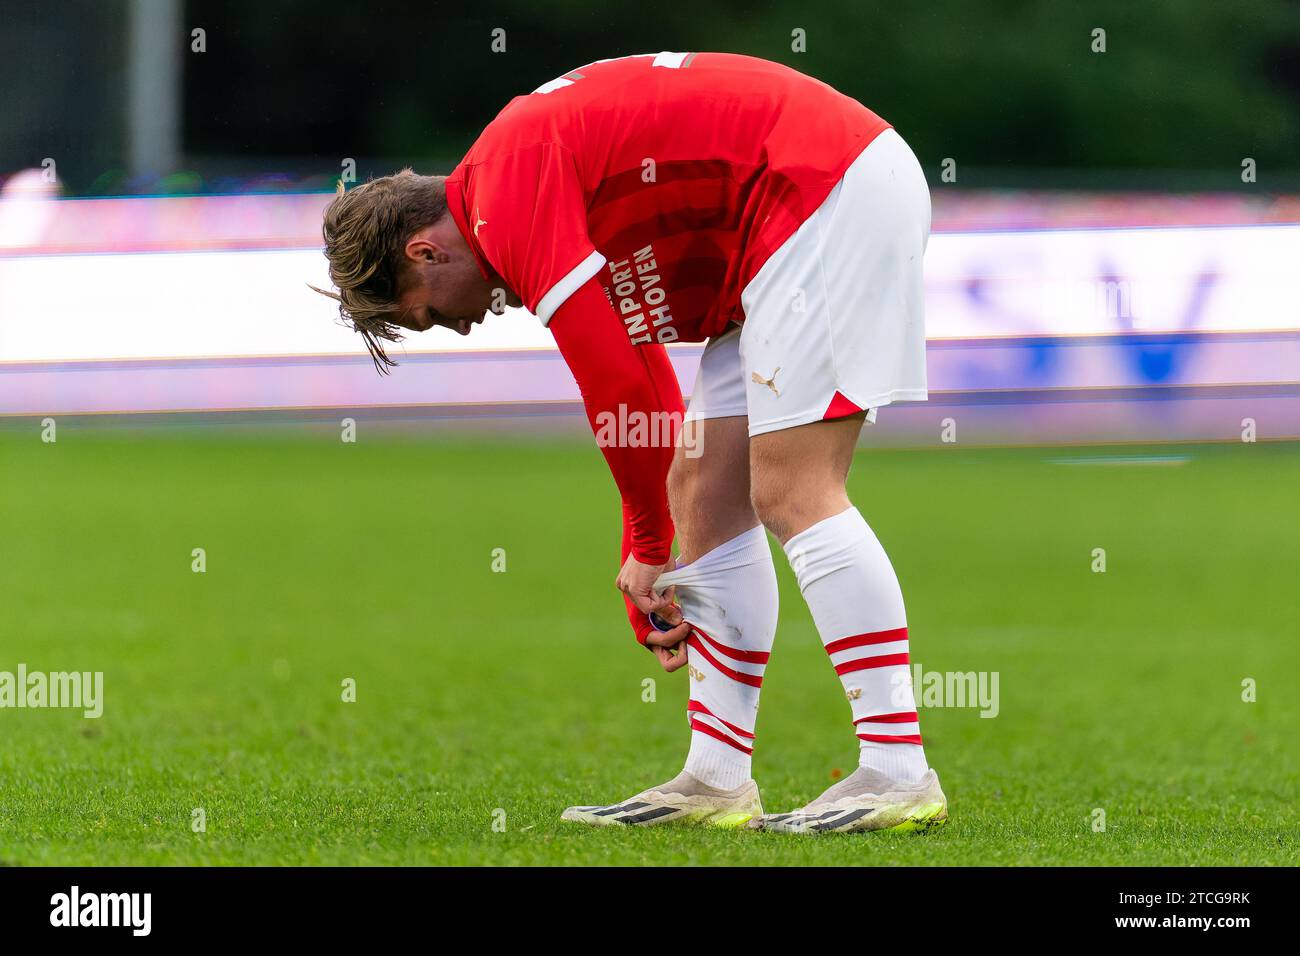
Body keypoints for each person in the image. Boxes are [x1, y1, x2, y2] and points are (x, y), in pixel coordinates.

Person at [312, 52, 945, 833]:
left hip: (821, 190)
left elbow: (614, 381)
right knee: (703, 494)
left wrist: (646, 546)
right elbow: (642, 380)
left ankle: (897, 768)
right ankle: (716, 777)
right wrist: (648, 545)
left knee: (791, 489)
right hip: (796, 201)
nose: (462, 322)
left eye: (429, 314)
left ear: (424, 252)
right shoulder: (506, 180)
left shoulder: (504, 202)